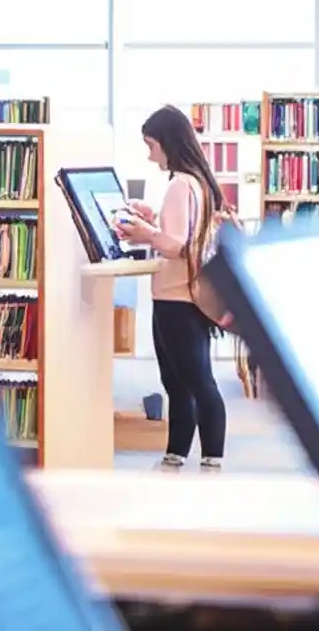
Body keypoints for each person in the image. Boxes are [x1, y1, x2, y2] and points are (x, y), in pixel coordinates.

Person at [114, 105, 229, 470]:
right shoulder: (197, 182)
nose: (150, 156)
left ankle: (209, 456)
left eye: (151, 146)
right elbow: (186, 234)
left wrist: (146, 233)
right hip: (186, 295)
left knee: (191, 381)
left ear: (167, 143)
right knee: (183, 380)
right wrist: (153, 217)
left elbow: (176, 245)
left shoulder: (181, 183)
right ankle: (177, 452)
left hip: (176, 297)